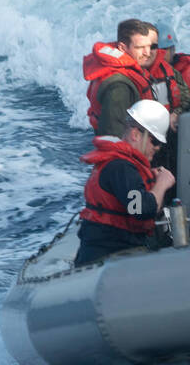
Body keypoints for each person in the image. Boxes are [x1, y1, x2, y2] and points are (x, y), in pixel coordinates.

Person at [74, 100, 175, 267]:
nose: (157, 148)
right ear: (136, 134)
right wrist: (162, 184)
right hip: (107, 254)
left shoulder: (124, 166)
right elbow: (140, 209)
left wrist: (152, 179)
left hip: (118, 250)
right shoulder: (120, 167)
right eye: (155, 142)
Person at [83, 19, 189, 139]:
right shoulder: (118, 86)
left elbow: (185, 99)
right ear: (123, 48)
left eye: (151, 46)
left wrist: (176, 114)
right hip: (136, 149)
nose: (147, 53)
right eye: (140, 47)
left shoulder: (157, 69)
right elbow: (113, 136)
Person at [161, 33, 190, 104]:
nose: (159, 53)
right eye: (154, 49)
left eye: (163, 49)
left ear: (173, 49)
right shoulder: (145, 75)